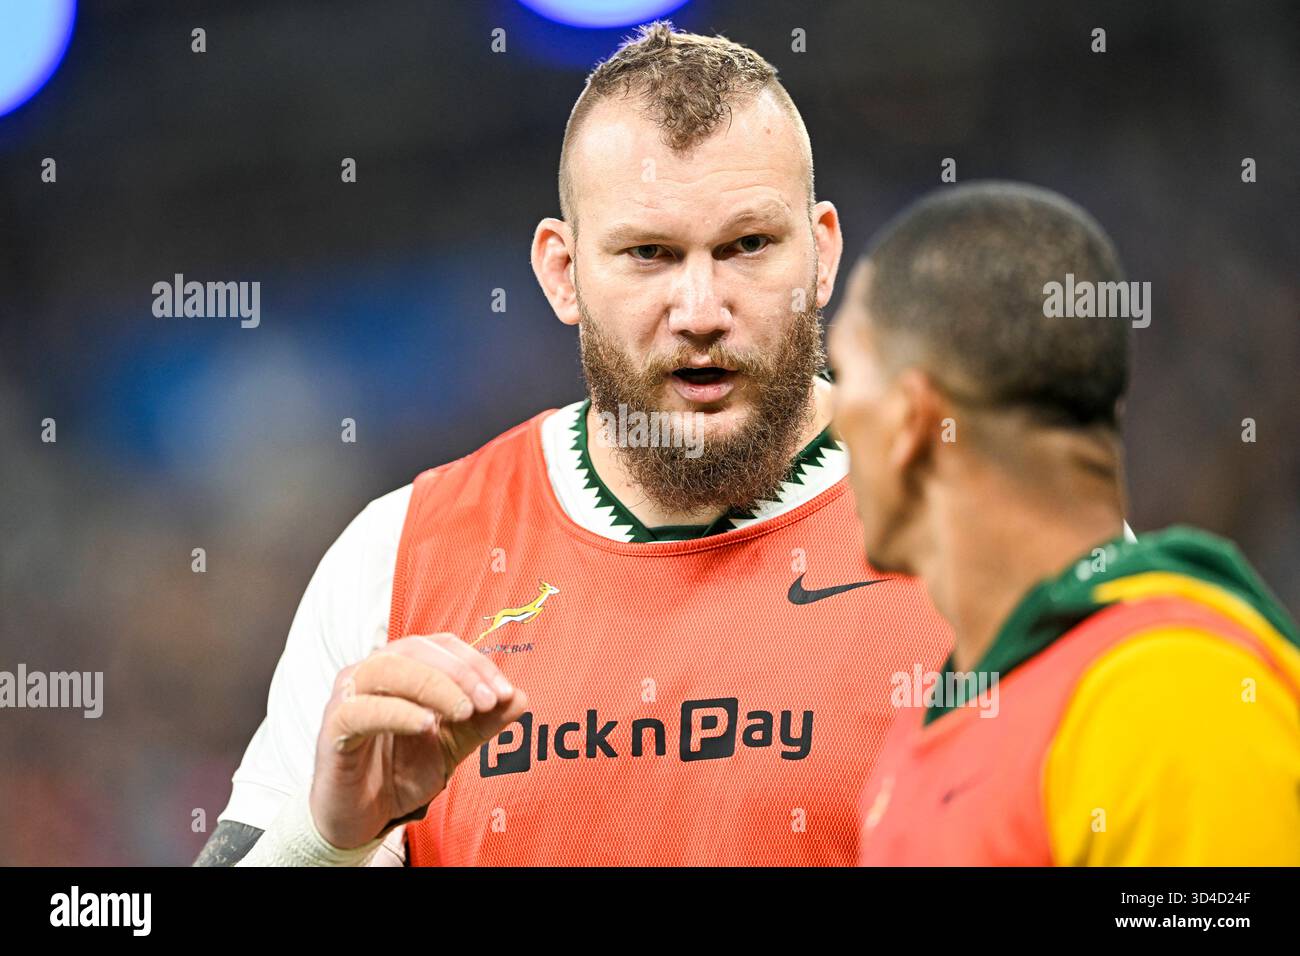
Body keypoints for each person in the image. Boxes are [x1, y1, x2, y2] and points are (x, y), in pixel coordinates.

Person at [195, 22, 952, 867]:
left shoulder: (981, 531)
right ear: (562, 272)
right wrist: (327, 842)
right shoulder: (396, 557)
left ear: (822, 254)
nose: (702, 310)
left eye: (748, 246)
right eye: (648, 253)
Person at [829, 181, 1300, 865]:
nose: (835, 419)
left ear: (912, 420)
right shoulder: (954, 713)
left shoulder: (1169, 698)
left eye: (844, 375)